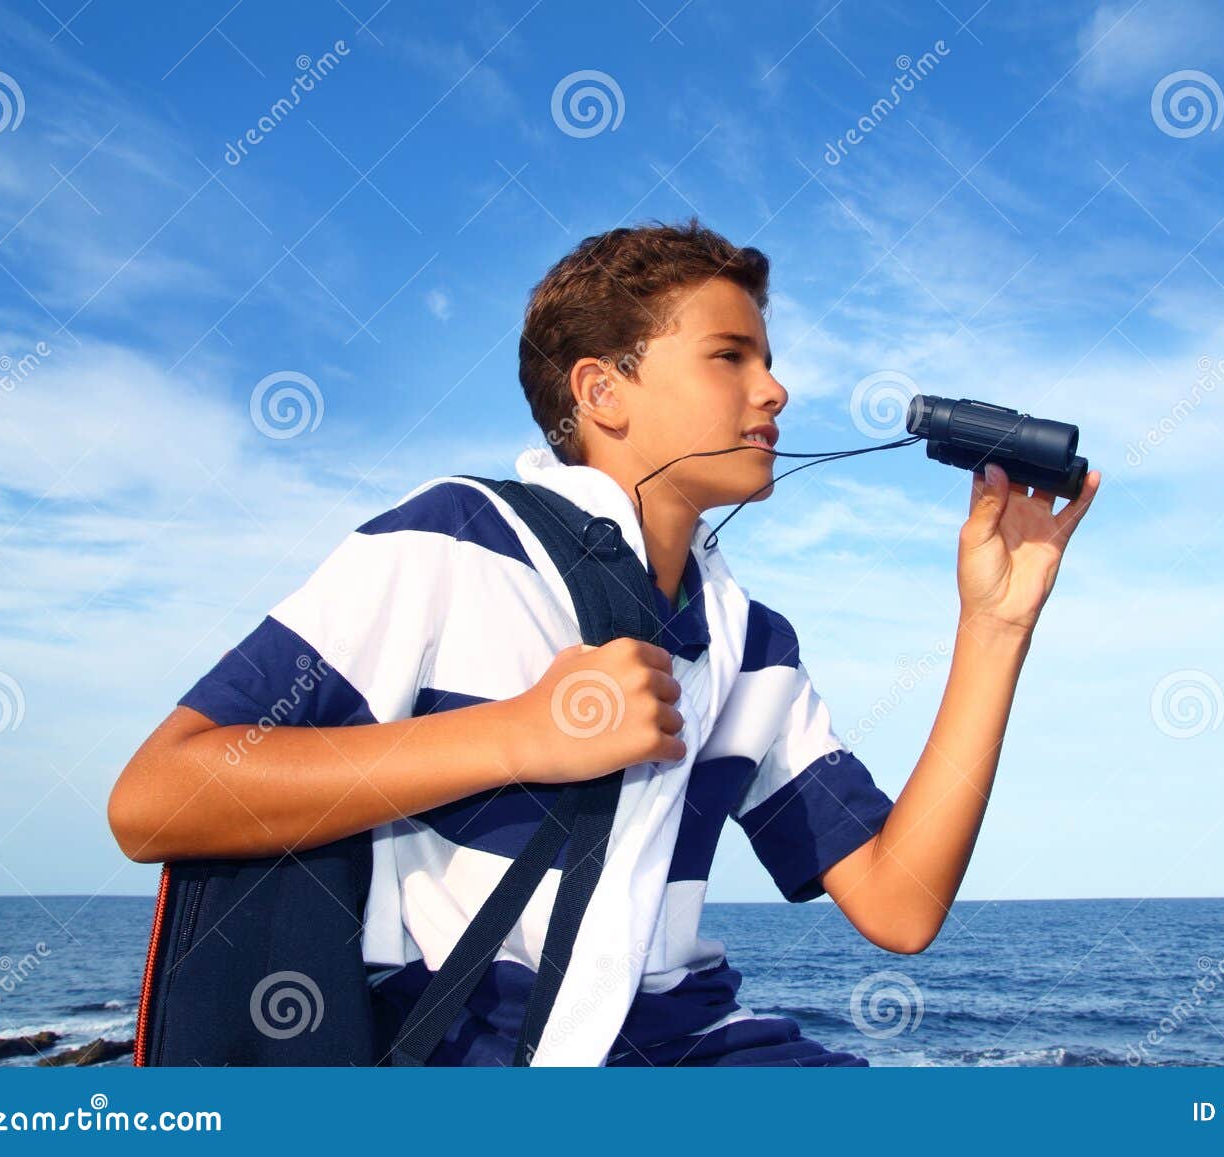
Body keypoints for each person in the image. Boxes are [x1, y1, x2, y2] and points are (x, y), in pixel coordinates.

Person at [107, 218, 1100, 1066]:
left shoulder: (751, 640)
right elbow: (155, 799)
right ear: (603, 390)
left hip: (697, 1046)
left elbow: (900, 902)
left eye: (767, 357)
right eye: (730, 356)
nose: (777, 389)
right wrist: (519, 736)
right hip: (474, 1052)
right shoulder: (450, 540)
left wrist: (994, 624)